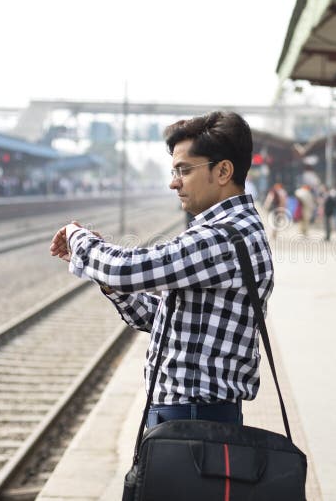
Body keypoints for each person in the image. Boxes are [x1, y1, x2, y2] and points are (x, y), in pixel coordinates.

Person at [50, 111, 273, 427]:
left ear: (223, 171)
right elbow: (167, 320)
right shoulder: (233, 230)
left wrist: (79, 238)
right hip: (195, 420)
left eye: (184, 170)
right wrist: (109, 282)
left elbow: (126, 271)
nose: (173, 182)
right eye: (174, 171)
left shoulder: (221, 237)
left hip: (193, 425)